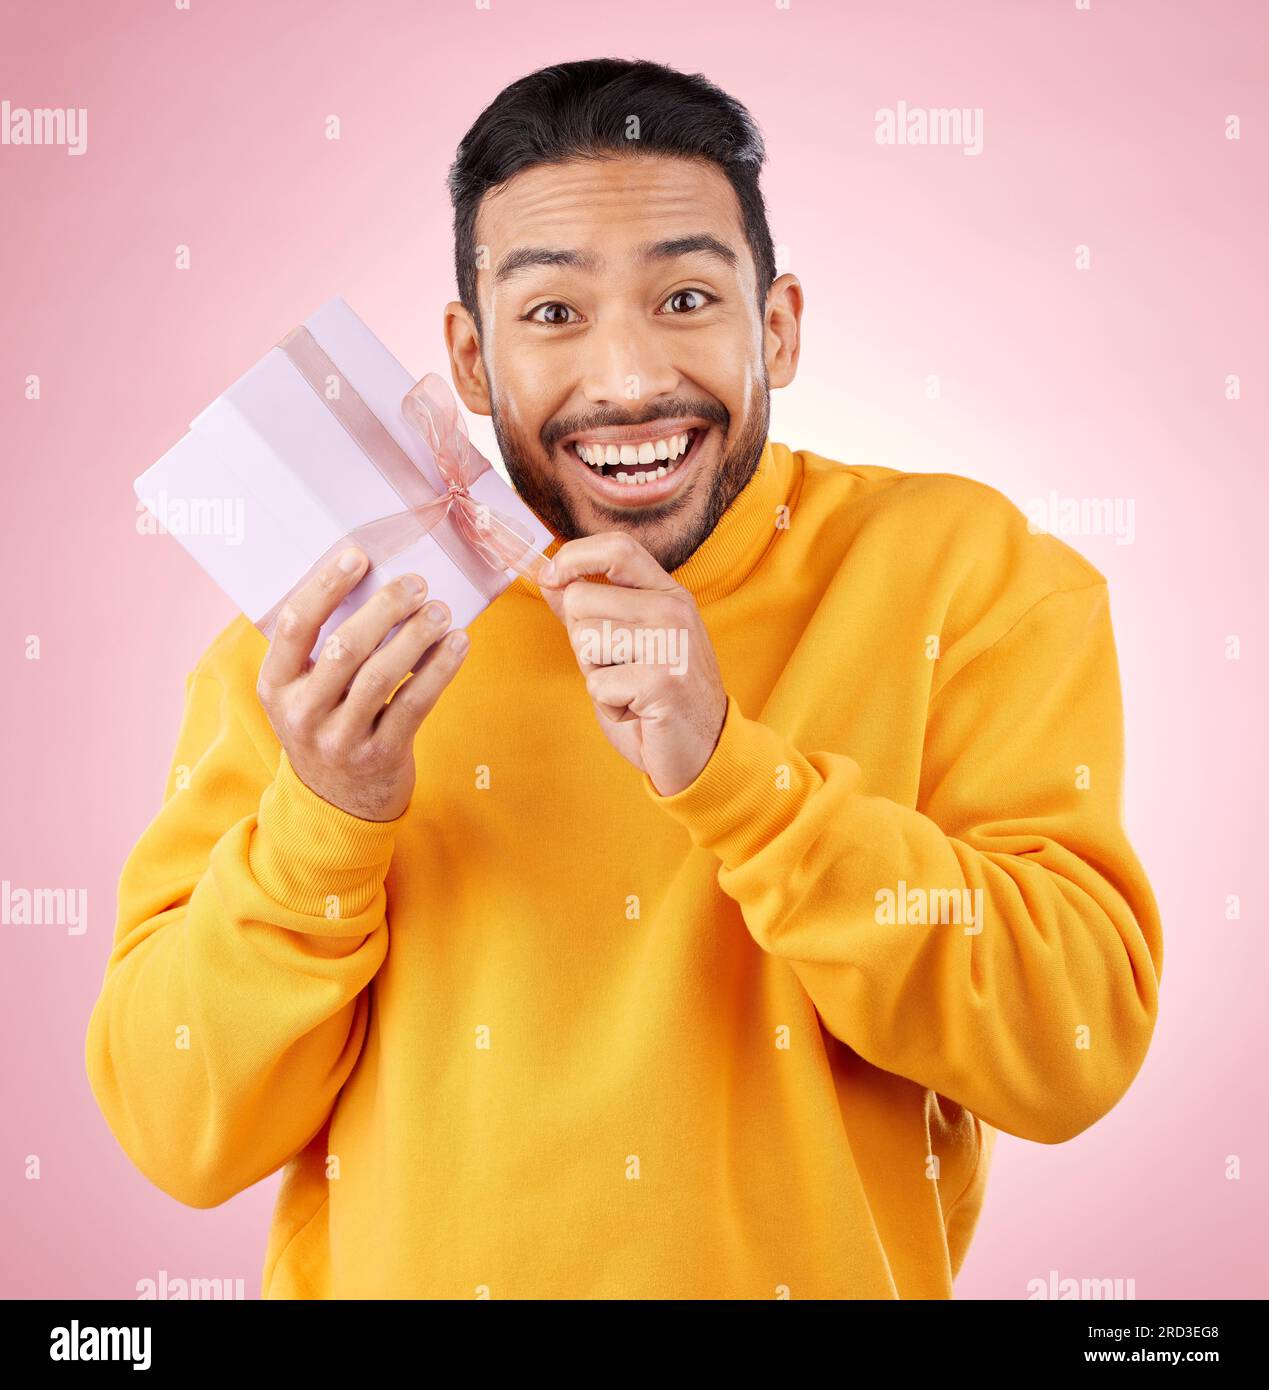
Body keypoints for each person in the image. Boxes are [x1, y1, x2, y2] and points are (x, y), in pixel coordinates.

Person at [85, 58, 1163, 1299]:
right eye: (551, 314)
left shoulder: (966, 575)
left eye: (688, 295)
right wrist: (325, 823)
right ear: (472, 359)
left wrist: (734, 775)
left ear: (779, 325)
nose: (629, 380)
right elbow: (178, 1134)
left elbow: (1073, 1049)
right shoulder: (324, 645)